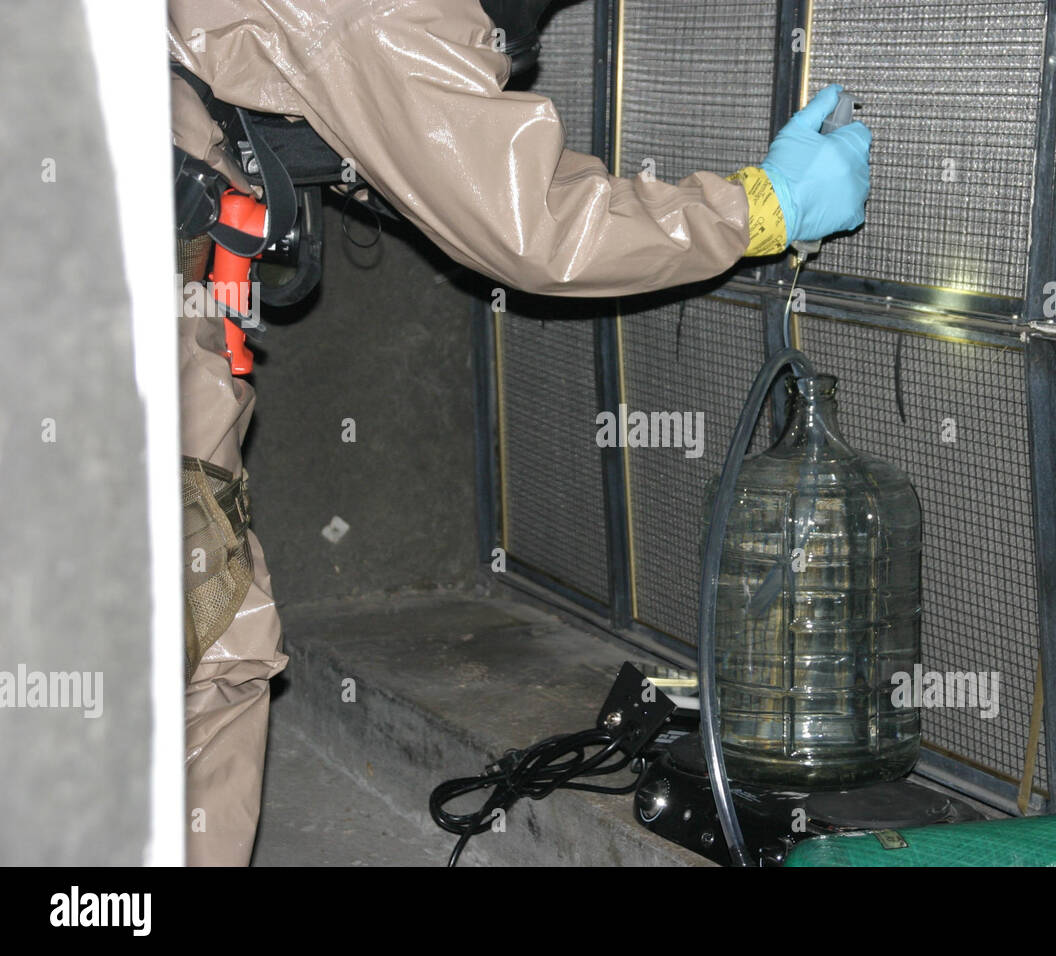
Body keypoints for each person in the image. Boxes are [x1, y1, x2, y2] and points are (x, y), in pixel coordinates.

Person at [168, 0, 872, 865]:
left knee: (169, 632)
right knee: (206, 652)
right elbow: (531, 226)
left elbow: (407, 126)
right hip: (100, 307)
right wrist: (764, 206)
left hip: (104, 277)